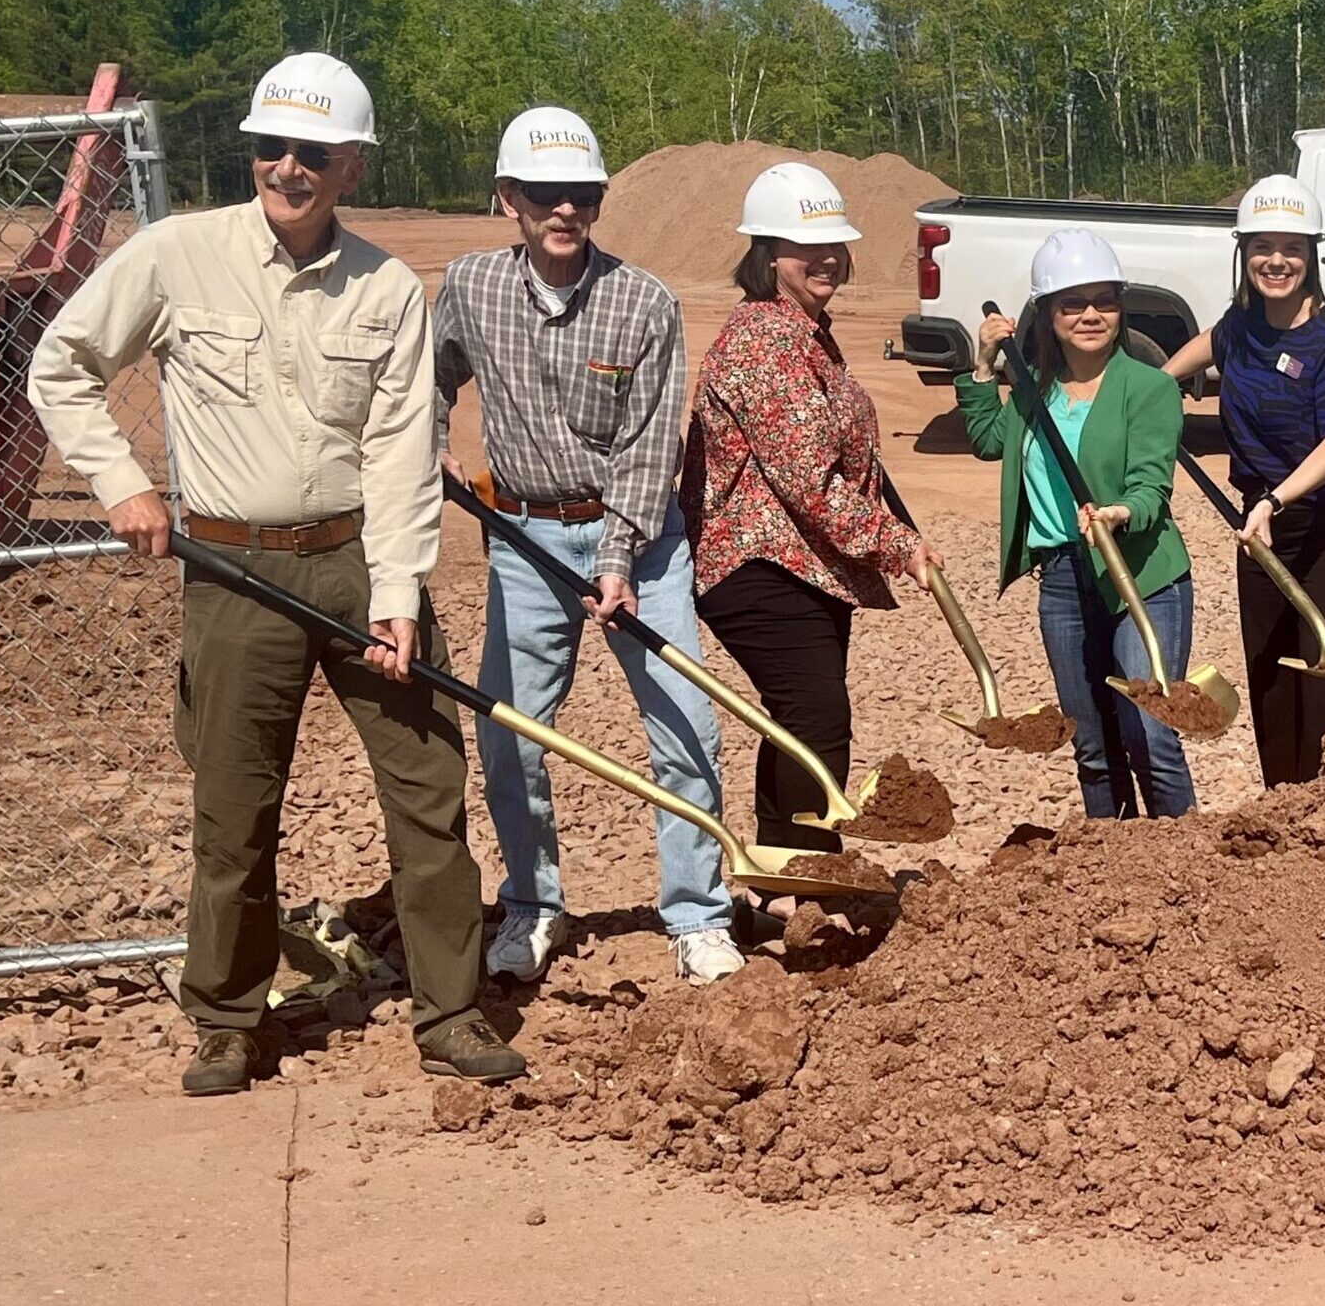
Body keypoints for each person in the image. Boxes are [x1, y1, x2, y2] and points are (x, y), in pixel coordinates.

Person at [27, 52, 521, 1093]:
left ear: (350, 165)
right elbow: (59, 367)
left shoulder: (387, 287)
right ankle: (225, 1016)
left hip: (353, 562)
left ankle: (451, 1011)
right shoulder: (176, 257)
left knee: (429, 791)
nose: (286, 167)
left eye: (311, 152)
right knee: (235, 806)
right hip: (229, 570)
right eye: (270, 147)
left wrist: (397, 596)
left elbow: (397, 450)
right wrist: (122, 483)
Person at [432, 108, 740, 984]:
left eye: (581, 195)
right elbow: (427, 372)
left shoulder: (643, 300)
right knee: (512, 734)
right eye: (543, 194)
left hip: (639, 540)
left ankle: (699, 914)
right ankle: (532, 903)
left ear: (600, 201)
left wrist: (615, 557)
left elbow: (652, 445)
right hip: (524, 537)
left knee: (686, 722)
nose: (563, 210)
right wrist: (431, 437)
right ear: (509, 201)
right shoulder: (470, 285)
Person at [684, 162, 934, 864]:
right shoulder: (765, 339)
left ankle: (782, 870)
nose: (825, 258)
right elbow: (810, 483)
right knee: (817, 714)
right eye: (804, 247)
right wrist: (894, 544)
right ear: (766, 254)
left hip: (804, 561)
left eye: (834, 245)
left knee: (799, 716)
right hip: (755, 558)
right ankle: (808, 872)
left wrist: (889, 527)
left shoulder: (806, 329)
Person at [962, 230, 1197, 817]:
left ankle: (1191, 864)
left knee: (1152, 736)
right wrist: (984, 365)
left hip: (1138, 575)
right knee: (1091, 743)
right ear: (1047, 313)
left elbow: (1151, 483)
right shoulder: (1031, 388)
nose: (1091, 315)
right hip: (1064, 580)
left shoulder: (1150, 388)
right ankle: (1110, 866)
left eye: (1105, 301)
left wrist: (1122, 511)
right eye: (1073, 303)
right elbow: (988, 441)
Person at [1162, 176, 1325, 787]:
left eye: (1292, 247)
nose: (1276, 260)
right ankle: (1286, 809)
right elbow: (1211, 343)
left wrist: (1276, 500)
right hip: (1260, 524)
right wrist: (1155, 387)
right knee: (1271, 678)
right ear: (1244, 251)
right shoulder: (1242, 324)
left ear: (1312, 255)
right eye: (1263, 246)